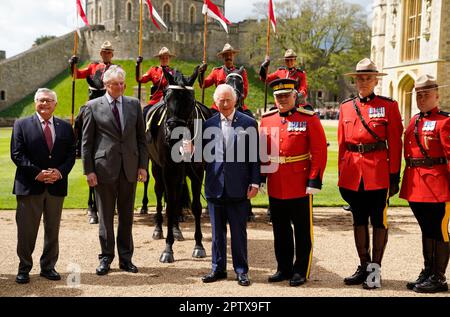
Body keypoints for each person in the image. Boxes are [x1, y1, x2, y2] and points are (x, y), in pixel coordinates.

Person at [338, 58, 403, 289]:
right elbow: (342, 143)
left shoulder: (389, 106)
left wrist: (394, 176)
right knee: (358, 220)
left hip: (378, 174)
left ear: (376, 80)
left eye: (368, 78)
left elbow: (395, 144)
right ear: (355, 81)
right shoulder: (346, 106)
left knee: (378, 221)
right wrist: (342, 176)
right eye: (360, 78)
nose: (364, 82)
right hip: (353, 173)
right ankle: (363, 265)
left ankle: (375, 269)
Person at [260, 78, 327, 286]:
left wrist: (314, 179)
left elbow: (319, 150)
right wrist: (261, 178)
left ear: (294, 96)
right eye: (278, 97)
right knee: (280, 230)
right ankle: (283, 267)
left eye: (286, 96)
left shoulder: (308, 118)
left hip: (300, 183)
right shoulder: (267, 119)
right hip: (276, 182)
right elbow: (262, 151)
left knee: (302, 230)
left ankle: (301, 270)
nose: (282, 99)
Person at [82, 65, 148, 276]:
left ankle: (126, 259)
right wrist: (88, 170)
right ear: (106, 85)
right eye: (115, 84)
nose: (120, 87)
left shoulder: (134, 104)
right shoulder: (92, 106)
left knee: (127, 217)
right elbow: (86, 143)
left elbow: (141, 139)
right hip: (103, 169)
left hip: (129, 167)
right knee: (106, 217)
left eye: (122, 84)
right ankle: (106, 258)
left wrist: (143, 166)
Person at [11, 88, 76, 284]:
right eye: (41, 100)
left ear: (55, 104)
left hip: (56, 185)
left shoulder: (65, 127)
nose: (45, 104)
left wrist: (59, 172)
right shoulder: (21, 124)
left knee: (52, 230)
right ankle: (24, 268)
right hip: (30, 185)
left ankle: (48, 267)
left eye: (48, 101)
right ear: (35, 103)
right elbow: (17, 154)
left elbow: (71, 155)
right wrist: (37, 173)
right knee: (26, 231)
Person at [200, 84, 260, 286]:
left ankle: (242, 271)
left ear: (235, 100)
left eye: (228, 100)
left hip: (239, 187)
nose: (224, 104)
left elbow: (254, 156)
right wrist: (188, 151)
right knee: (217, 234)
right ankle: (217, 269)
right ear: (215, 102)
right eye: (220, 100)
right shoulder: (208, 125)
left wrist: (255, 182)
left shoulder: (249, 123)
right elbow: (202, 157)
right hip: (215, 186)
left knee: (238, 233)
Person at [400, 74, 450, 293]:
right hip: (417, 184)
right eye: (418, 94)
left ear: (437, 96)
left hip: (438, 186)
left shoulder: (445, 121)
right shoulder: (414, 120)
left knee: (439, 231)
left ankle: (439, 277)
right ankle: (428, 271)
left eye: (426, 94)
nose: (421, 98)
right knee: (426, 229)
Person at [70, 40, 116, 225]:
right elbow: (76, 75)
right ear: (100, 53)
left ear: (112, 54)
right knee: (79, 120)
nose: (106, 54)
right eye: (103, 52)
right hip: (92, 103)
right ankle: (78, 146)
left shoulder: (115, 69)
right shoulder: (92, 66)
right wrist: (72, 63)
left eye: (108, 52)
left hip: (109, 104)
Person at [198, 43, 249, 113]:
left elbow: (244, 91)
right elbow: (203, 84)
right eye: (226, 55)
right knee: (207, 121)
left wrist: (233, 102)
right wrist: (201, 73)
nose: (228, 57)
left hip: (237, 106)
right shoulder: (216, 71)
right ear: (223, 57)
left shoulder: (241, 72)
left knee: (252, 121)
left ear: (233, 56)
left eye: (230, 55)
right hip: (218, 107)